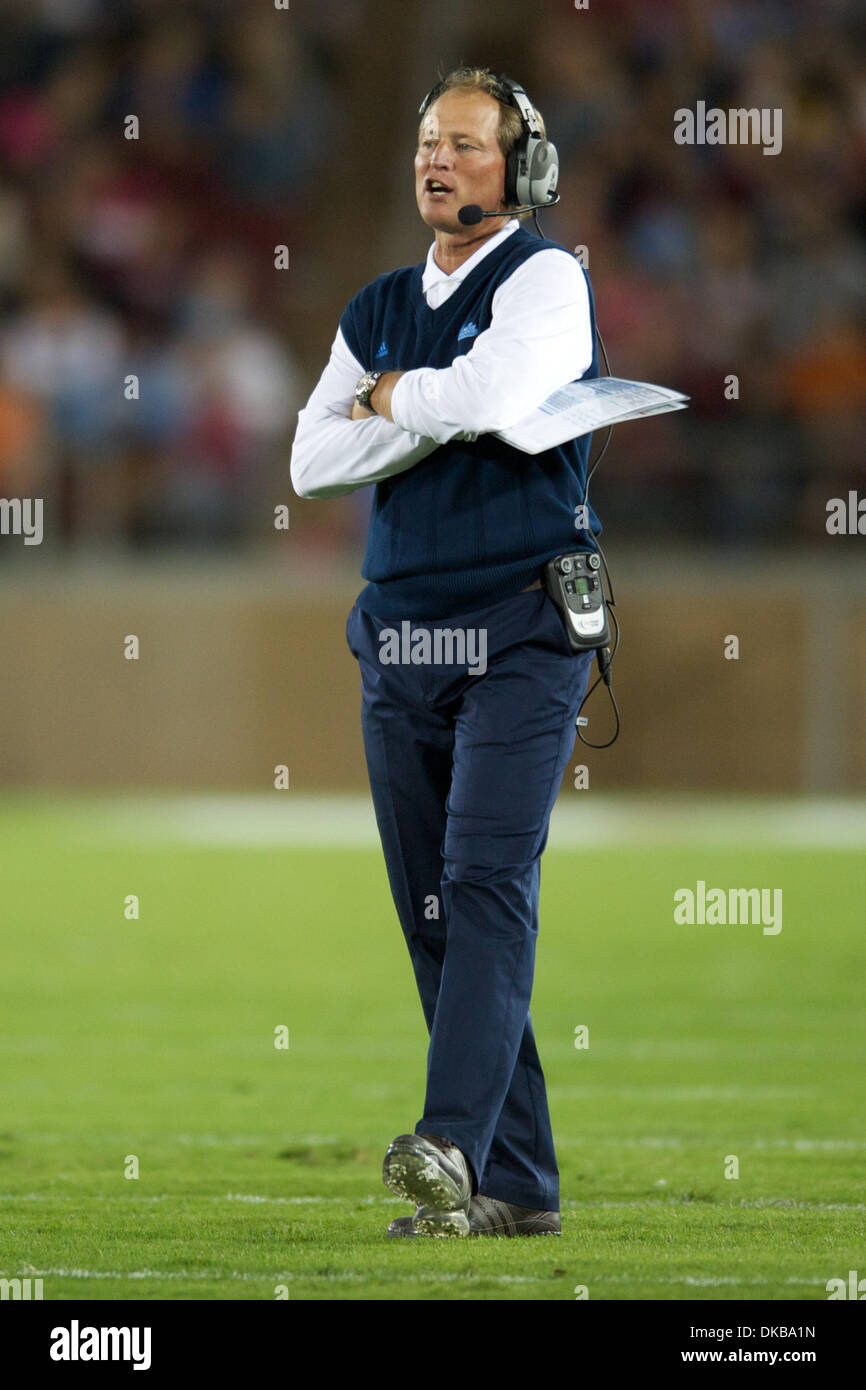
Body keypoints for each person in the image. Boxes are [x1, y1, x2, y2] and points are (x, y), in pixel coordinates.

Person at [291, 66, 601, 1237]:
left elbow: (500, 388)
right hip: (403, 632)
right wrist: (424, 405)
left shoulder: (547, 280)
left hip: (523, 621)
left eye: (468, 145)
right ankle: (517, 1182)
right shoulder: (375, 302)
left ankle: (448, 1148)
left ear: (521, 168)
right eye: (428, 140)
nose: (438, 160)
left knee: (482, 880)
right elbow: (306, 464)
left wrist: (383, 403)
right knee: (433, 906)